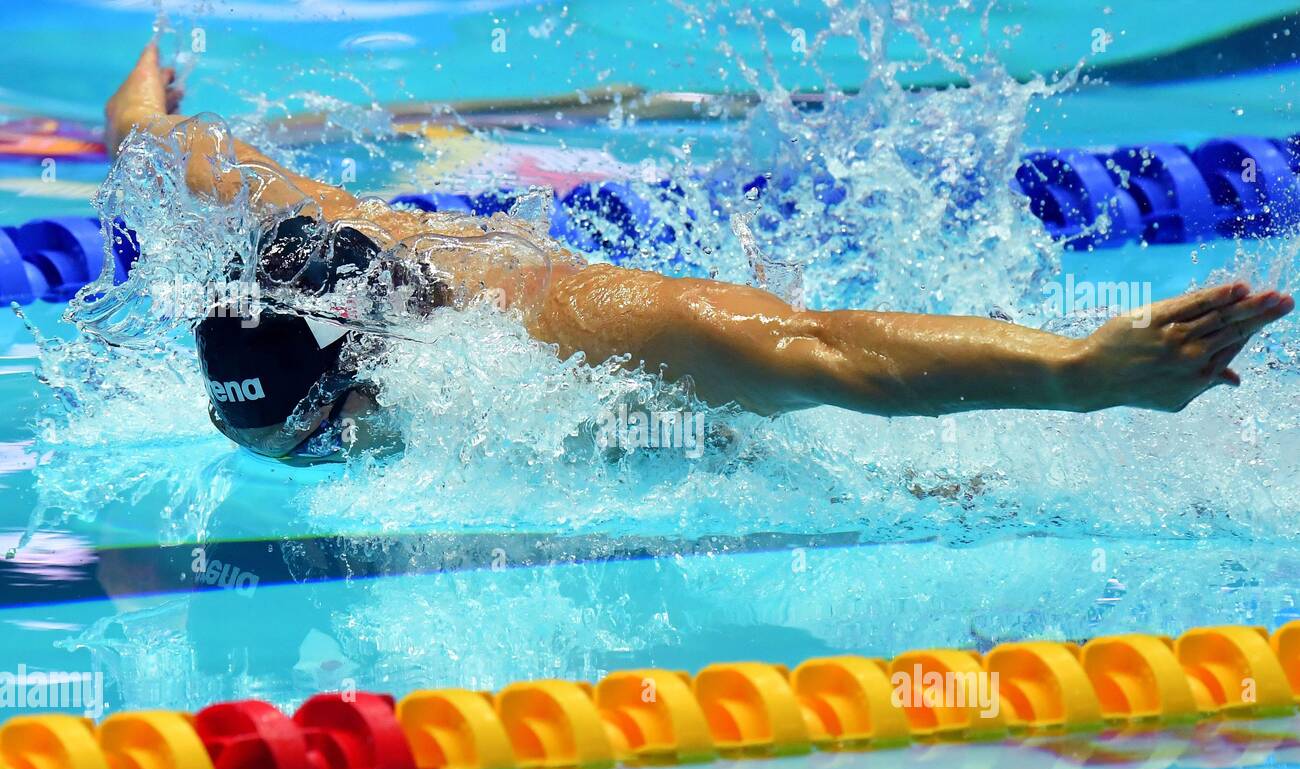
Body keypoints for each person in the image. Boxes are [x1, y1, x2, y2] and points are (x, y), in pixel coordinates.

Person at [104, 41, 1294, 462]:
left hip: (694, 390)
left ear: (375, 365)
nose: (338, 454)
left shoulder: (548, 328)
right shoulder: (247, 218)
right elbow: (147, 141)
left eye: (334, 431)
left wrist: (1075, 374)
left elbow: (817, 347)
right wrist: (142, 93)